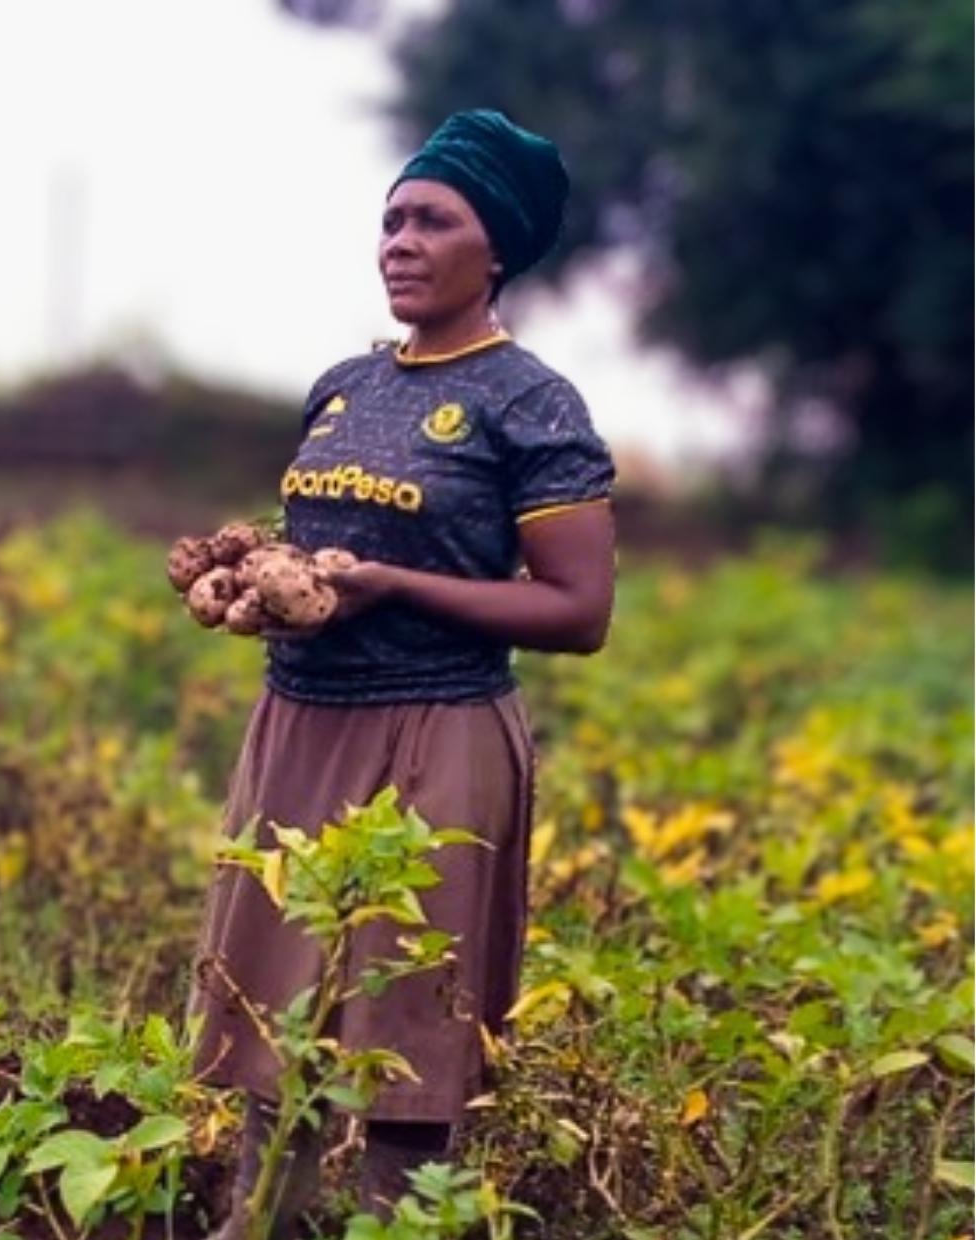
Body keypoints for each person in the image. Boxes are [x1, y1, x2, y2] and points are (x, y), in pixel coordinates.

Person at [188, 109, 616, 1236]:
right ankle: (259, 1223)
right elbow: (310, 552)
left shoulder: (528, 402)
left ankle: (397, 1222)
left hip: (438, 734)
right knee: (264, 1015)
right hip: (298, 727)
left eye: (433, 220)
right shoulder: (339, 386)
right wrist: (240, 570)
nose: (399, 241)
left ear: (497, 250)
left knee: (408, 1033)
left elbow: (577, 612)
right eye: (389, 221)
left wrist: (396, 585)